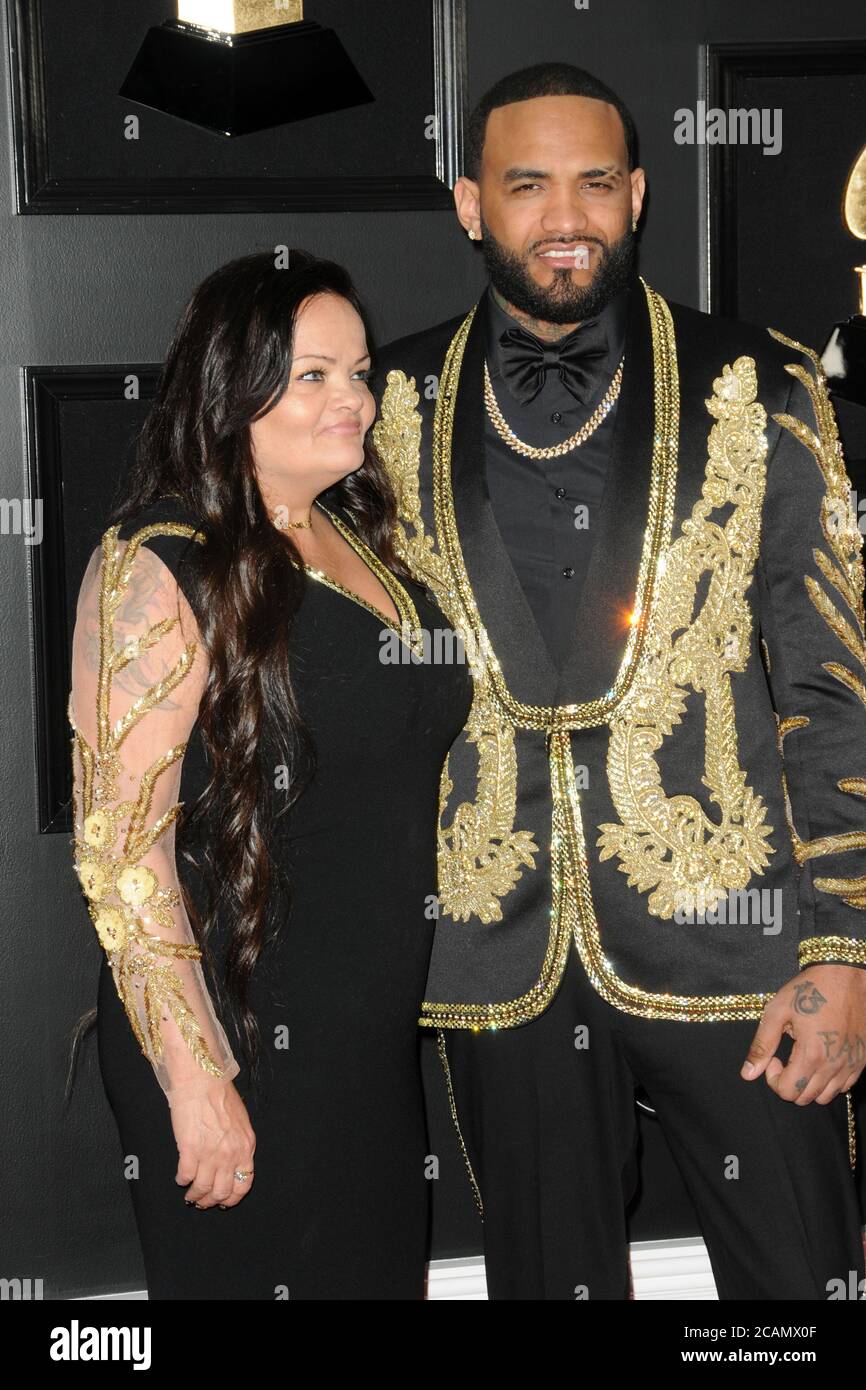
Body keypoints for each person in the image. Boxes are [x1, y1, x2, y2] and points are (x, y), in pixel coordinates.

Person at [371, 63, 866, 1300]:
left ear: (638, 193)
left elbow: (831, 685)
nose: (565, 216)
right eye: (526, 184)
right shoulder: (376, 405)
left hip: (739, 945)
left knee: (797, 1290)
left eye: (594, 182)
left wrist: (846, 942)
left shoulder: (757, 382)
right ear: (468, 204)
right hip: (498, 951)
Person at [68, 249, 472, 1300]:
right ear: (228, 392)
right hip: (234, 1032)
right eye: (312, 375)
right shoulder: (159, 560)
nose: (355, 398)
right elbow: (121, 851)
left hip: (363, 1046)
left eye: (359, 370)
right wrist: (197, 1080)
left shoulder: (359, 541)